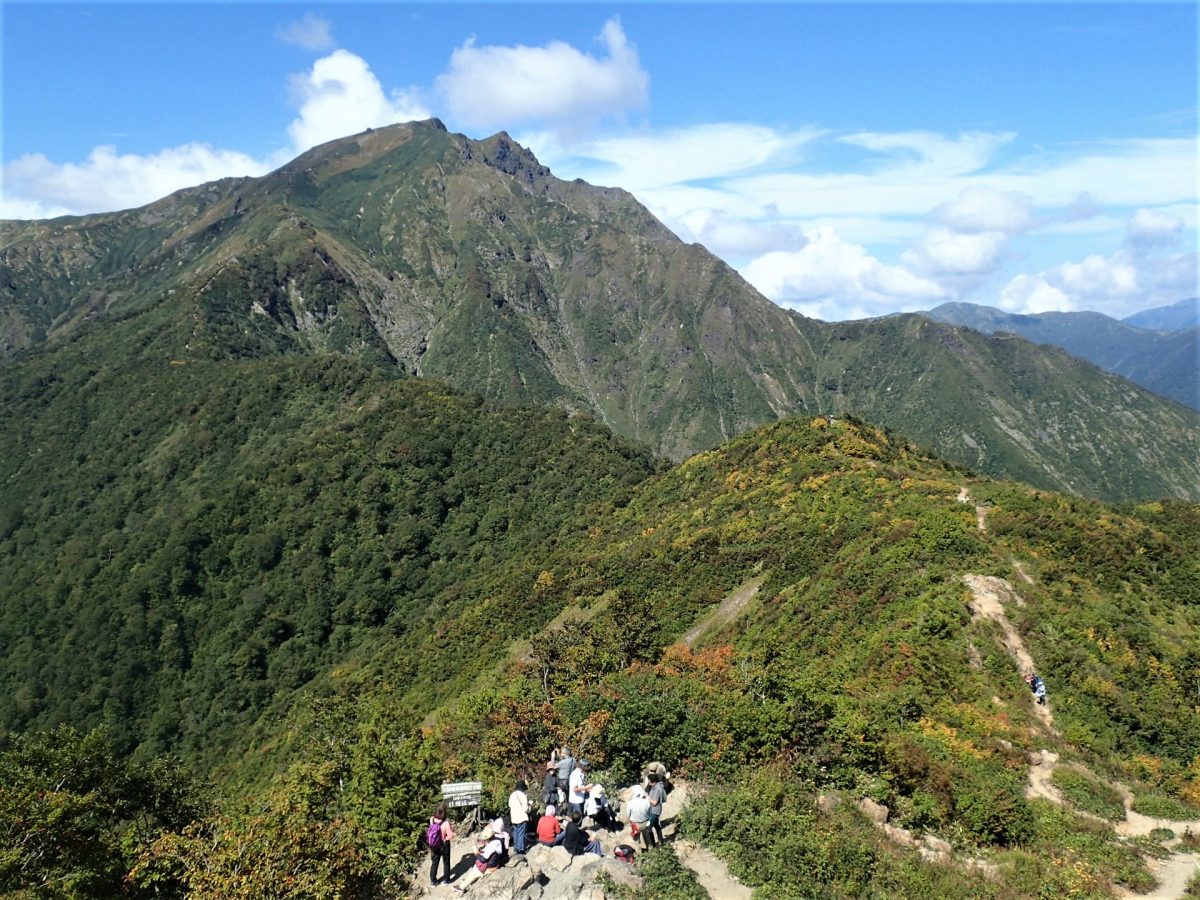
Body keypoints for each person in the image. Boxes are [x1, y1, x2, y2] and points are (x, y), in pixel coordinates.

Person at [452, 818, 510, 893]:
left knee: (476, 867)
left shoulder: (493, 844)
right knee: (476, 866)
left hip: (490, 867)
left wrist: (476, 851)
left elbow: (483, 859)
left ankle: (461, 887)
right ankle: (469, 880)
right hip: (496, 862)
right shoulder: (502, 837)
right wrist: (483, 847)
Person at [427, 802, 456, 886]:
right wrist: (446, 838)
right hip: (443, 845)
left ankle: (433, 881)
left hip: (434, 845)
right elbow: (450, 835)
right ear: (444, 813)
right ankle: (446, 880)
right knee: (446, 862)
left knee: (434, 862)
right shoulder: (446, 823)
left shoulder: (431, 819)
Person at [508, 779, 532, 853]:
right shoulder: (523, 795)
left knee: (516, 832)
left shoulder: (512, 795)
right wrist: (530, 805)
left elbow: (510, 805)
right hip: (521, 817)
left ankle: (516, 847)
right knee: (521, 833)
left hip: (514, 817)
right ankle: (521, 849)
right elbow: (526, 809)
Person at [626, 783, 651, 850]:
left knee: (636, 840)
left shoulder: (630, 803)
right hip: (646, 822)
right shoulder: (647, 801)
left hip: (635, 824)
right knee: (647, 837)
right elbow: (649, 812)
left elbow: (628, 815)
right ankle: (650, 850)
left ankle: (638, 852)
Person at [645, 772, 666, 847]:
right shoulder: (654, 787)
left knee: (648, 829)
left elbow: (654, 802)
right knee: (657, 826)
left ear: (653, 782)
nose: (648, 782)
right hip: (653, 810)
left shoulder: (657, 789)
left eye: (649, 780)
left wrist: (647, 798)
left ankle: (653, 846)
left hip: (655, 811)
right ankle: (661, 842)